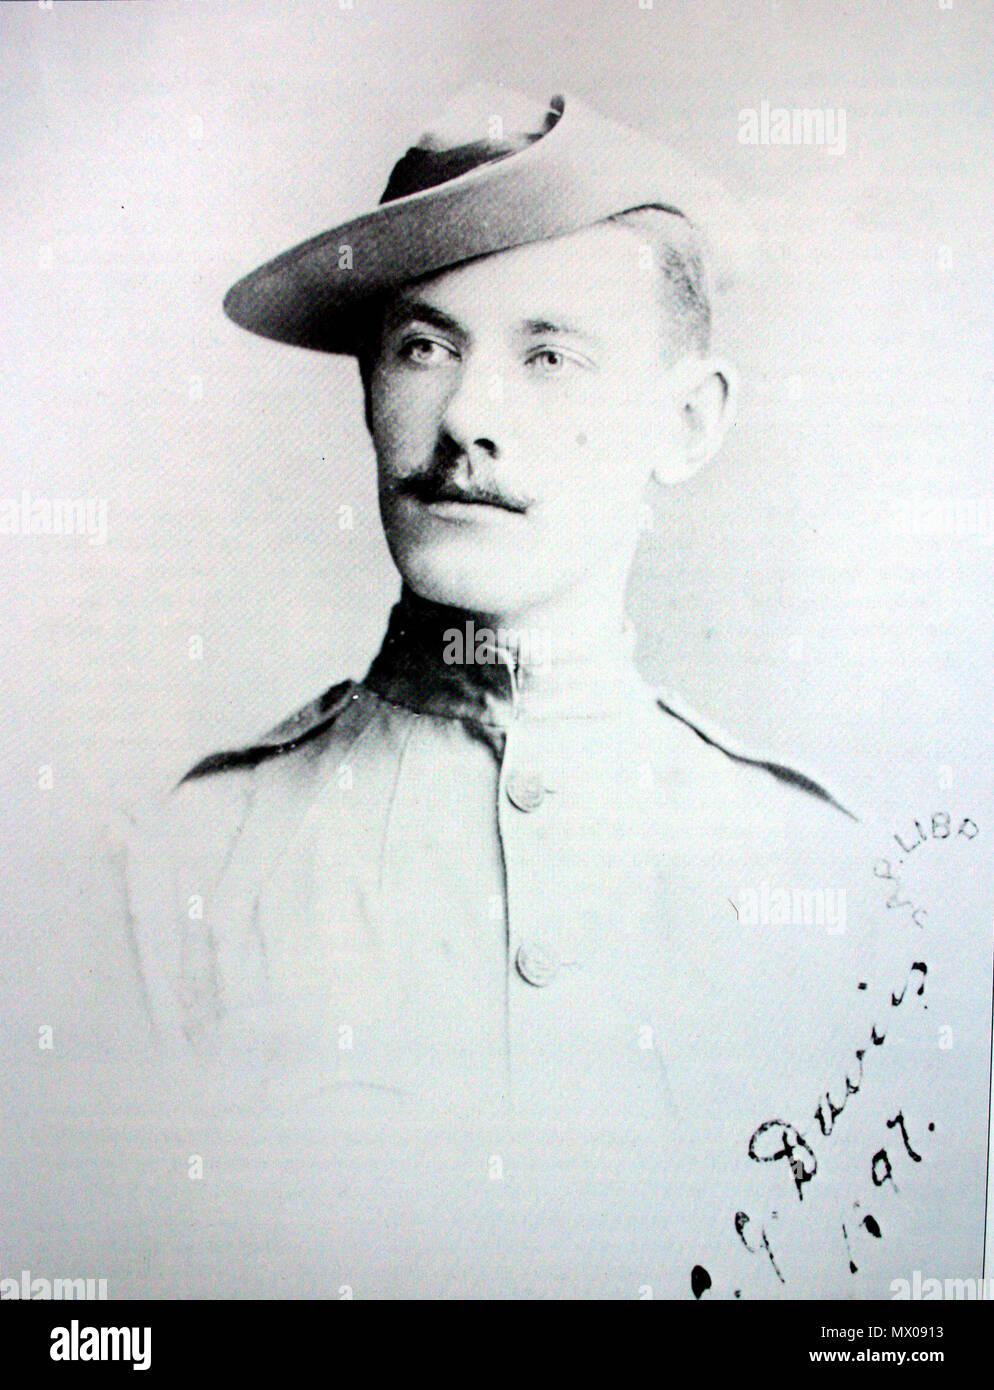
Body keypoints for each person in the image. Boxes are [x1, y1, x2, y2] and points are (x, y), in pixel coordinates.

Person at [108, 86, 941, 1299]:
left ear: (688, 421)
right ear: (366, 389)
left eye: (549, 355)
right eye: (422, 346)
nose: (465, 421)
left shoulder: (831, 881)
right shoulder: (183, 864)